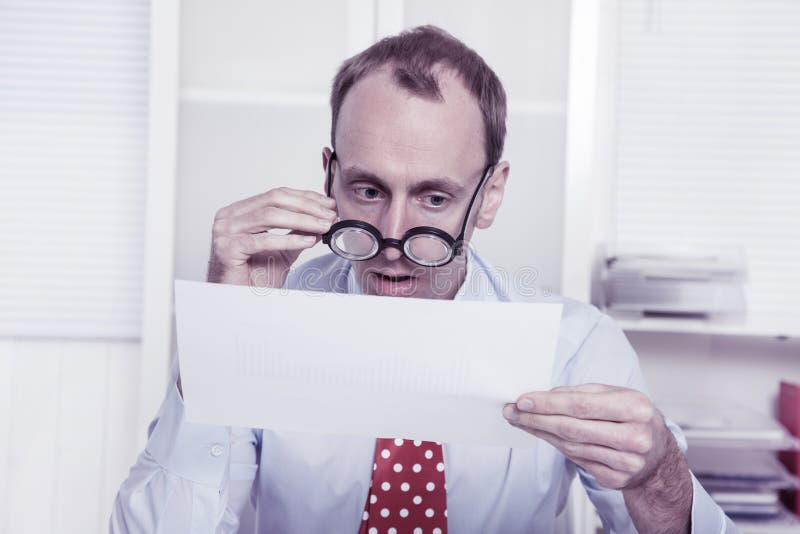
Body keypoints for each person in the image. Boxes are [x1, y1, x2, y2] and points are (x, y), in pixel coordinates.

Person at [111, 26, 736, 533]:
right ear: (329, 177)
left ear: (489, 196)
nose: (392, 240)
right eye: (367, 190)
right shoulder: (260, 319)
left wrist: (660, 478)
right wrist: (221, 343)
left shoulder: (575, 348)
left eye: (435, 198)